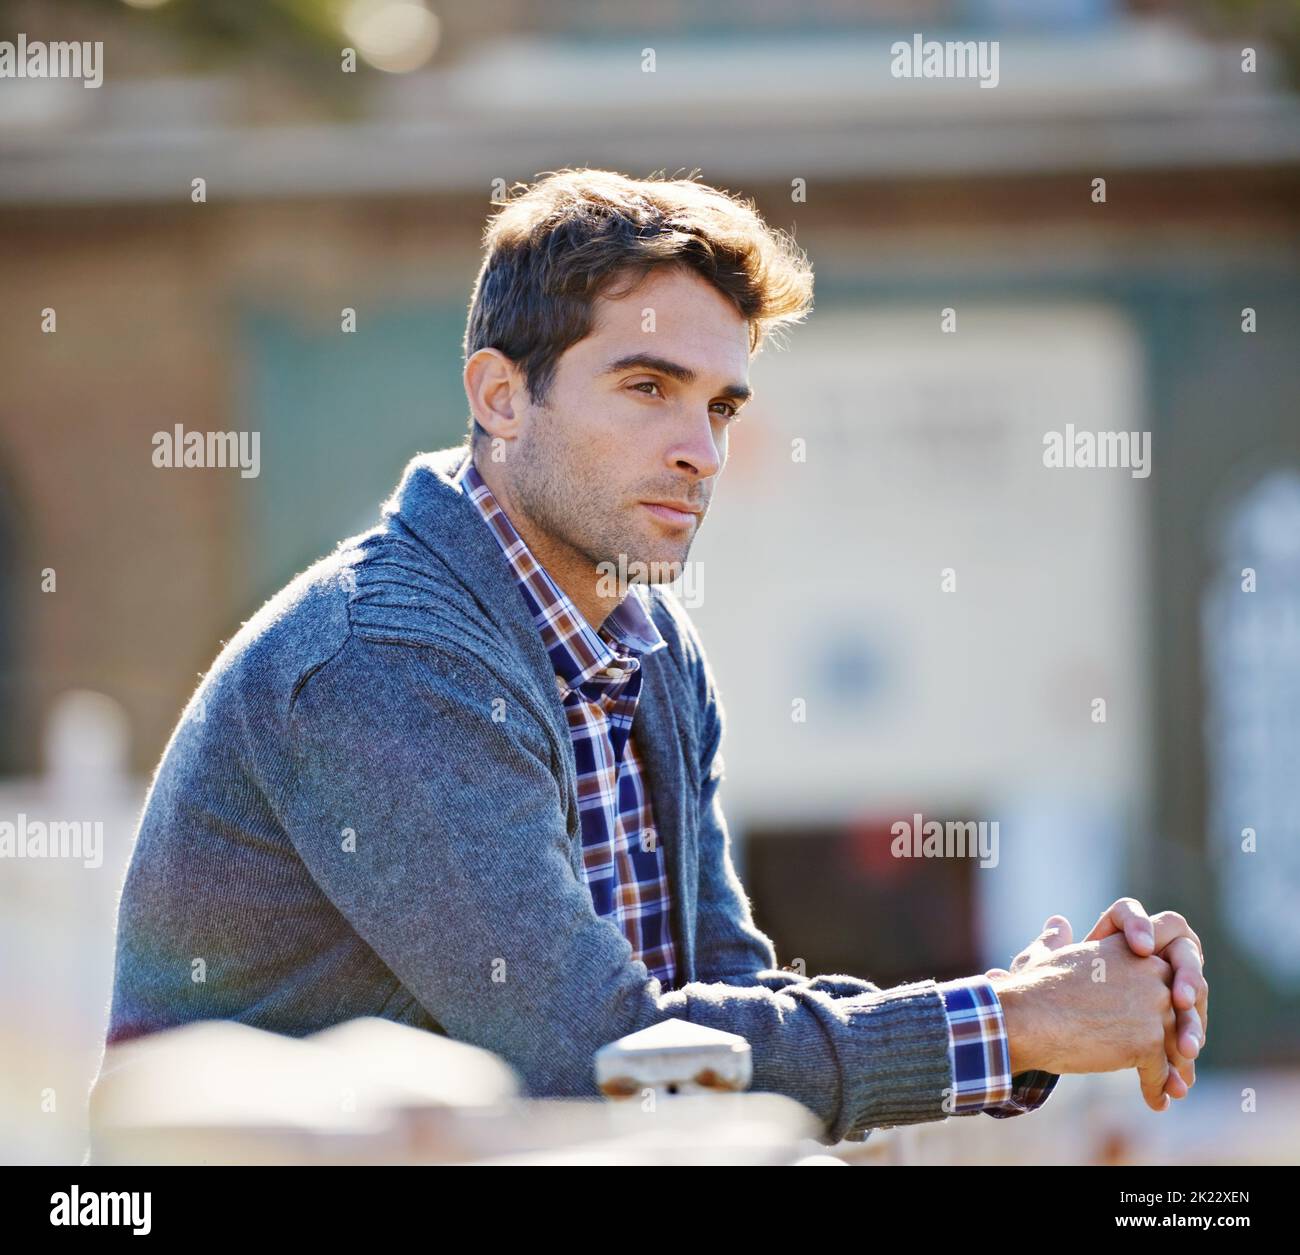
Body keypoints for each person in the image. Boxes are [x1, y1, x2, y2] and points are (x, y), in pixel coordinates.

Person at [103, 168, 1207, 1145]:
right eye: (646, 388)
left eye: (720, 405)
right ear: (499, 396)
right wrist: (1015, 1023)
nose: (699, 449)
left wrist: (1030, 1008)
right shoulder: (385, 662)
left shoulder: (645, 641)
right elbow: (601, 1058)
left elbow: (716, 1005)